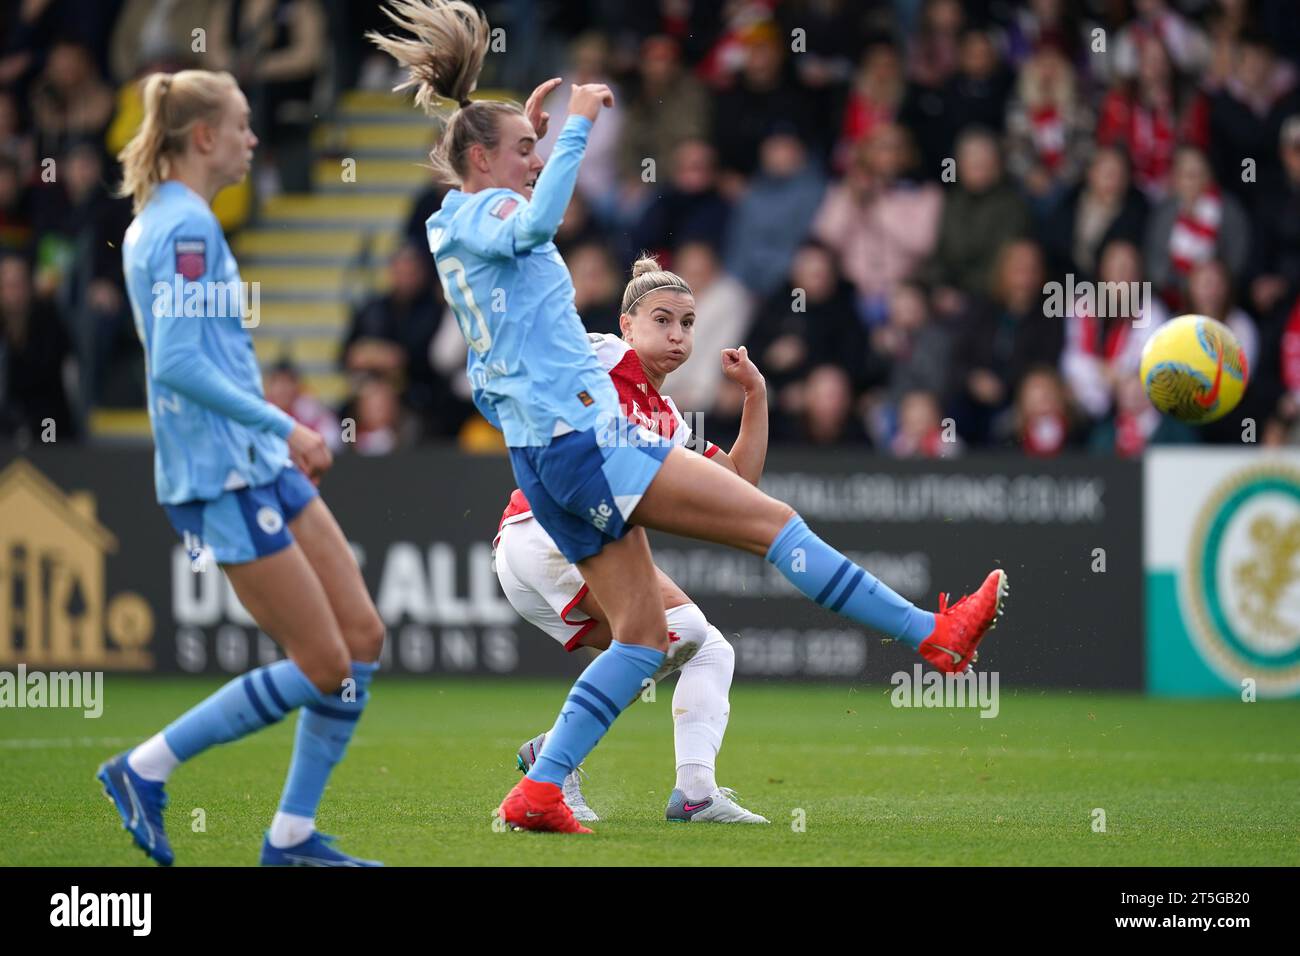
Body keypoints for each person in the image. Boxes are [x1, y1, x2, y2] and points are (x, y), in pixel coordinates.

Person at [372, 0, 1008, 836]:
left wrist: (523, 139)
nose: (537, 159)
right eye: (520, 150)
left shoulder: (456, 222)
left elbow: (504, 208)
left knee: (646, 637)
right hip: (584, 442)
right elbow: (527, 216)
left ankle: (542, 787)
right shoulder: (502, 221)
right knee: (774, 527)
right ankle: (936, 636)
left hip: (546, 459)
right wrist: (575, 129)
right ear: (485, 158)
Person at [101, 69, 384, 866]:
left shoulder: (173, 220)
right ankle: (143, 767)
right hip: (223, 468)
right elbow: (180, 366)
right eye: (243, 126)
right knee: (326, 664)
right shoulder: (185, 231)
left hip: (250, 458)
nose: (254, 140)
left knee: (362, 637)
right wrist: (284, 424)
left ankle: (291, 837)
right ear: (204, 139)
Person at [499, 255, 769, 824]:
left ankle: (693, 792)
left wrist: (754, 396)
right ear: (627, 325)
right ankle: (554, 764)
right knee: (686, 630)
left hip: (538, 554)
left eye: (688, 324)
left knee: (702, 648)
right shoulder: (602, 353)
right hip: (544, 533)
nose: (677, 335)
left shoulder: (668, 417)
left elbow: (739, 485)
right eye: (662, 320)